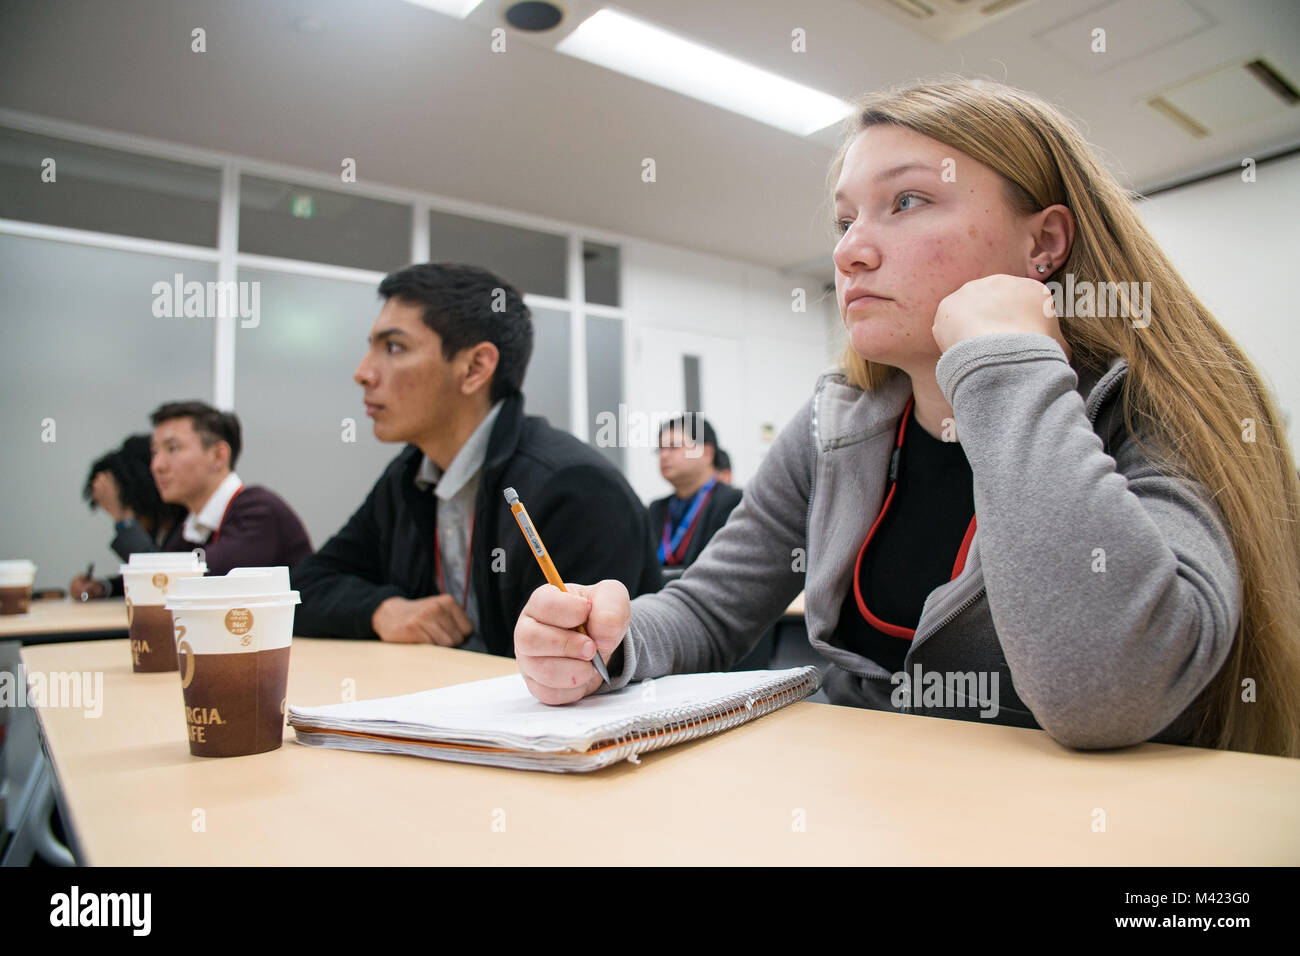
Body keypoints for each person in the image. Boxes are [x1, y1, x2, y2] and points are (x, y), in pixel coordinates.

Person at [513, 78, 1300, 758]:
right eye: (845, 220)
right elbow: (707, 611)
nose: (851, 251)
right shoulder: (835, 420)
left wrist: (1005, 359)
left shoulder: (1157, 409)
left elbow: (1106, 695)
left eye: (908, 201)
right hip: (866, 816)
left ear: (1045, 244)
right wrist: (608, 642)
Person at [291, 262, 661, 652]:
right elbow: (304, 588)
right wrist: (380, 610)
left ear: (474, 368)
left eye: (394, 347)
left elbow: (587, 668)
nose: (362, 373)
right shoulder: (408, 476)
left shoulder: (575, 488)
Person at [76, 402, 313, 597]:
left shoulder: (257, 510)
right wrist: (105, 588)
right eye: (156, 451)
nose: (157, 465)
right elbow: (166, 572)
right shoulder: (193, 523)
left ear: (219, 455)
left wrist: (124, 518)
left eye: (173, 448)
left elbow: (183, 584)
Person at [69, 434, 186, 598]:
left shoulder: (189, 526)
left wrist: (123, 519)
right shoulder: (163, 529)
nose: (136, 525)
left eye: (132, 512)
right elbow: (145, 582)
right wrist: (103, 587)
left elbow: (162, 580)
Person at [649, 415, 742, 569]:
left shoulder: (732, 502)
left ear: (706, 454)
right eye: (661, 449)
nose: (664, 455)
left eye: (673, 447)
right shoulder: (657, 509)